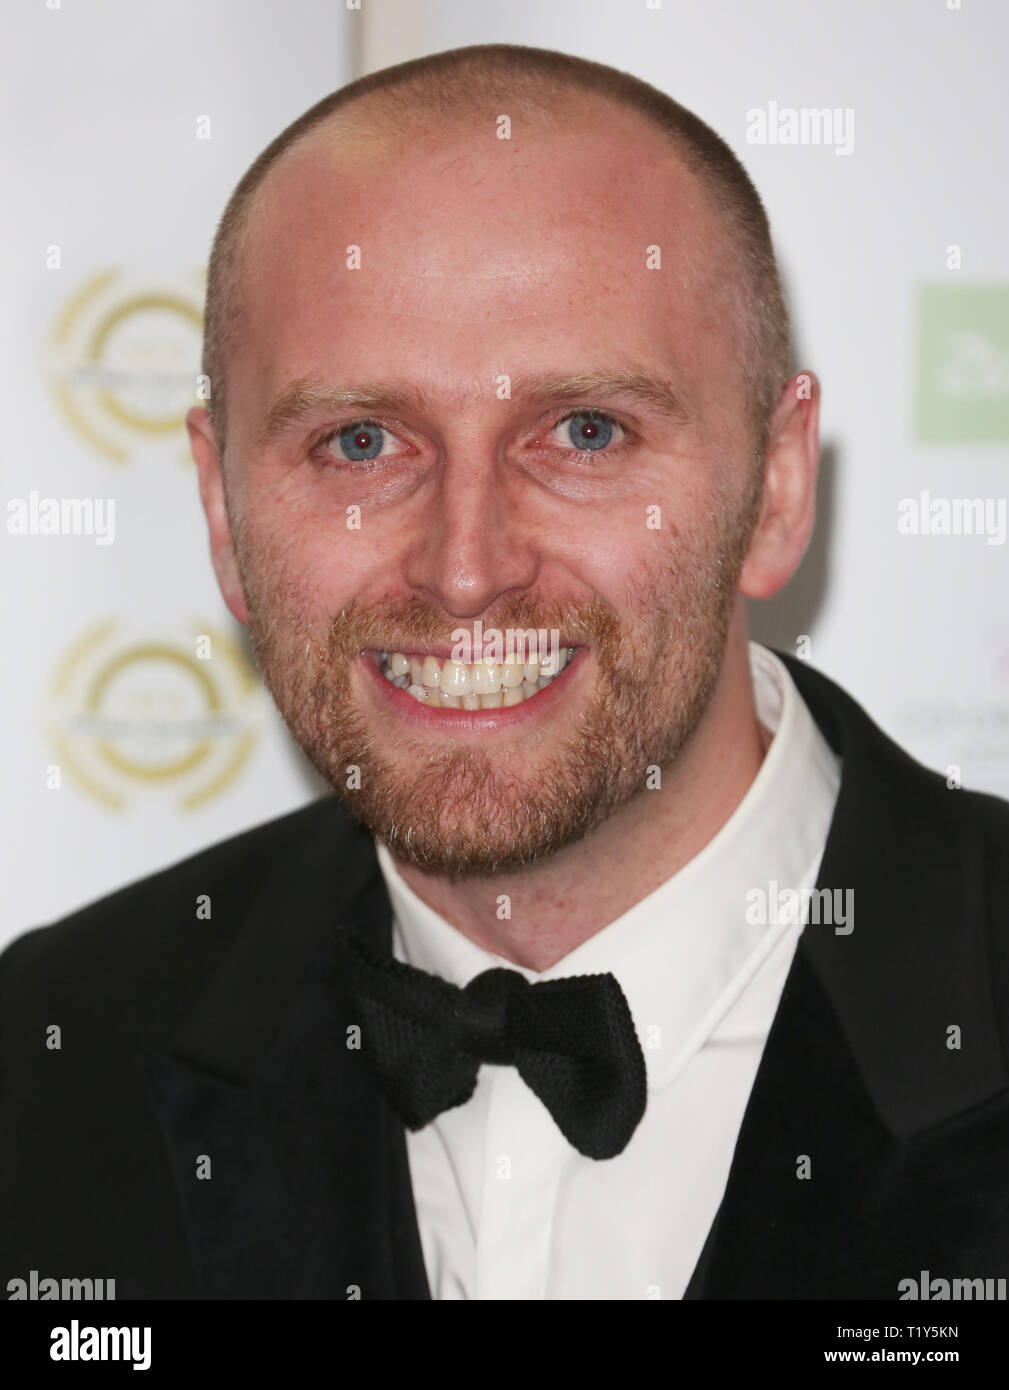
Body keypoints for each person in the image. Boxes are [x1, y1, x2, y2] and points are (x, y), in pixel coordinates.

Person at [3, 42, 1008, 1303]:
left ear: (776, 484)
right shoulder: (50, 1059)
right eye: (360, 441)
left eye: (584, 432)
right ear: (223, 511)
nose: (464, 568)